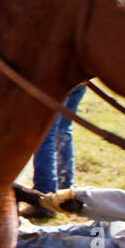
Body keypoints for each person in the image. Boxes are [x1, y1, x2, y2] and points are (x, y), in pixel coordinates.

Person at [27, 84, 87, 214]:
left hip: (59, 79)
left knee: (45, 134)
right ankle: (66, 194)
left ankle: (44, 199)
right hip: (80, 80)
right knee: (63, 130)